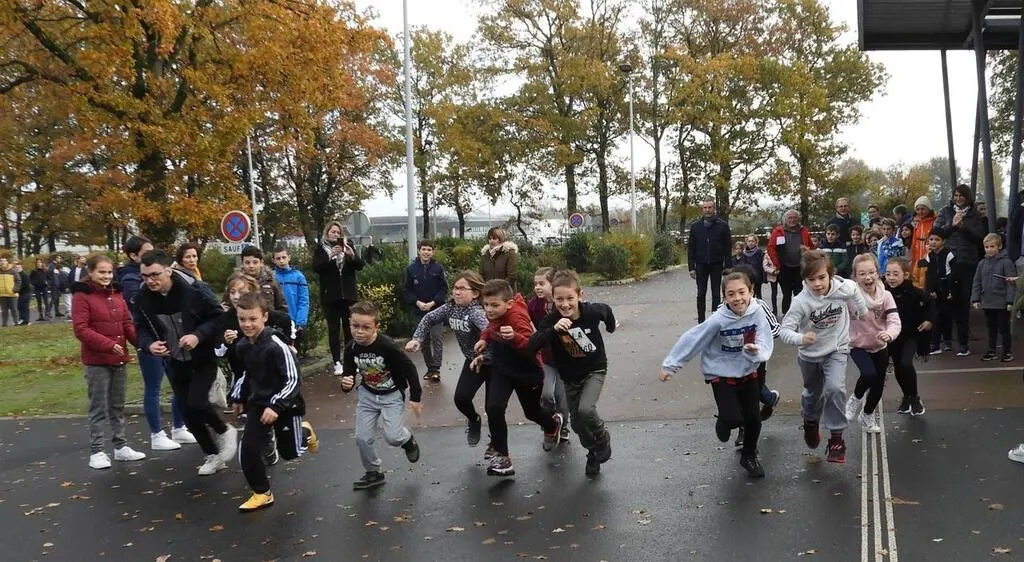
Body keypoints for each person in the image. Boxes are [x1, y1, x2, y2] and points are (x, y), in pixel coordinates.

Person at [660, 270, 773, 478]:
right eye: (731, 294)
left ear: (751, 291)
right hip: (720, 373)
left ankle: (748, 455)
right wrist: (671, 365)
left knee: (754, 419)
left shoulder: (757, 313)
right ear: (724, 297)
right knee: (732, 418)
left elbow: (765, 338)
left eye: (741, 292)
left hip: (747, 371)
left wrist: (759, 352)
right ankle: (724, 421)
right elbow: (693, 339)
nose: (737, 298)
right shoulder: (718, 320)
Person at [133, 250, 237, 476]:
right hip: (174, 360)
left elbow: (221, 317)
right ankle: (212, 455)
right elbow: (139, 328)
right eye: (145, 276)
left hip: (202, 357)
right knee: (187, 412)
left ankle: (225, 430)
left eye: (155, 275)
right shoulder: (142, 298)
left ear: (169, 270)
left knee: (197, 402)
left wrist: (197, 335)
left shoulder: (194, 290)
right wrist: (149, 344)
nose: (150, 280)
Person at [230, 292, 318, 513]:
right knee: (248, 449)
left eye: (253, 319)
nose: (247, 324)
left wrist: (276, 405)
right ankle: (262, 493)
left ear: (264, 317)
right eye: (242, 319)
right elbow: (246, 374)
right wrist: (238, 396)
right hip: (259, 404)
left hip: (286, 405)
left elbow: (293, 378)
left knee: (291, 453)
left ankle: (306, 433)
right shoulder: (242, 346)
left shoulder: (276, 344)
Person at [778, 250, 868, 464]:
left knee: (835, 388)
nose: (817, 284)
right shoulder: (801, 302)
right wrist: (801, 338)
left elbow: (855, 290)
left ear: (830, 274)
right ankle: (810, 421)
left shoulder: (842, 288)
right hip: (809, 355)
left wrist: (862, 311)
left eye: (821, 277)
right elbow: (784, 330)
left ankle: (836, 439)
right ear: (804, 280)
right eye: (811, 280)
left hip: (837, 349)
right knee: (813, 393)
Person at [527, 271, 615, 476]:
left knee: (586, 410)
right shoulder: (552, 321)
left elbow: (607, 312)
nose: (565, 304)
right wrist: (553, 331)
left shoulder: (591, 312)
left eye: (570, 298)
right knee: (576, 424)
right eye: (559, 299)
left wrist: (610, 326)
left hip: (595, 370)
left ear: (580, 295)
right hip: (570, 378)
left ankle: (602, 438)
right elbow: (532, 346)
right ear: (553, 299)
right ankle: (593, 452)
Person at [471, 279, 560, 477]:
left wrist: (514, 338)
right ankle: (503, 457)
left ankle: (552, 424)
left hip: (526, 371)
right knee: (494, 407)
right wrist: (484, 338)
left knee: (532, 412)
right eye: (486, 305)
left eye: (494, 305)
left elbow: (531, 347)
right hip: (502, 369)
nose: (489, 310)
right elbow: (492, 324)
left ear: (509, 304)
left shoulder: (518, 318)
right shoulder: (497, 313)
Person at [116, 235, 194, 452]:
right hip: (150, 341)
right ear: (133, 256)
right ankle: (156, 433)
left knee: (178, 383)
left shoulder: (168, 277)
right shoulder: (131, 280)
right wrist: (146, 342)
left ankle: (179, 426)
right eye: (145, 251)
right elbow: (138, 309)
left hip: (168, 338)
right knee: (154, 387)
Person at [71, 254, 147, 469]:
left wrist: (141, 343)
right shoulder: (82, 295)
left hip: (119, 358)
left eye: (109, 272)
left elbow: (126, 323)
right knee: (98, 407)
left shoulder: (116, 294)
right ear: (91, 272)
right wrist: (106, 344)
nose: (106, 276)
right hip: (97, 361)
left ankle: (121, 447)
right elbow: (81, 329)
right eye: (101, 272)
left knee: (117, 405)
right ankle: (97, 451)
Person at [217, 272, 297, 467]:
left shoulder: (269, 321)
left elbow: (287, 323)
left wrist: (291, 343)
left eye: (241, 292)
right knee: (251, 437)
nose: (236, 296)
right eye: (232, 292)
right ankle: (261, 487)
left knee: (289, 450)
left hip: (275, 384)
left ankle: (296, 434)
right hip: (246, 380)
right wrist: (226, 343)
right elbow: (218, 352)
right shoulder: (226, 319)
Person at [340, 300, 422, 490]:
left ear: (376, 327)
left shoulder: (387, 346)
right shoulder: (351, 348)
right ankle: (373, 472)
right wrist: (346, 384)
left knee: (393, 437)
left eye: (366, 327)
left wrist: (416, 397)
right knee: (362, 438)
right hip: (367, 395)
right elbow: (348, 376)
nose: (359, 331)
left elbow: (409, 368)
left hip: (391, 395)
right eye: (355, 326)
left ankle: (407, 440)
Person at [405, 270, 490, 446]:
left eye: (462, 289)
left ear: (475, 293)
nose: (456, 292)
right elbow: (429, 317)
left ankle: (496, 446)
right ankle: (474, 420)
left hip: (492, 362)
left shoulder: (476, 312)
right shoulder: (451, 307)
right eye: (454, 288)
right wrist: (417, 339)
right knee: (461, 398)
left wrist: (485, 353)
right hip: (472, 360)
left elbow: (490, 334)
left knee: (494, 407)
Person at [843, 254, 901, 434]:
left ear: (878, 273)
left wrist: (890, 334)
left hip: (880, 344)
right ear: (854, 276)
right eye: (862, 274)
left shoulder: (886, 296)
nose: (867, 277)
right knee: (868, 374)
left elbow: (894, 320)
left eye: (871, 272)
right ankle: (854, 400)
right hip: (857, 344)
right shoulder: (849, 296)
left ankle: (867, 415)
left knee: (878, 385)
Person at [933, 184, 987, 356]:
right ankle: (946, 340)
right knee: (944, 301)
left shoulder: (975, 214)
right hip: (948, 261)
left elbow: (980, 238)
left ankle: (963, 343)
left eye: (961, 196)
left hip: (967, 262)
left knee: (963, 302)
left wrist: (963, 225)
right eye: (956, 195)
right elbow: (937, 233)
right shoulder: (945, 211)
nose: (958, 198)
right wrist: (952, 224)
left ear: (967, 197)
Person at [526, 267, 571, 445]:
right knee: (545, 396)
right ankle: (551, 424)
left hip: (565, 359)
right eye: (535, 284)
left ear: (553, 285)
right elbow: (526, 320)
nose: (537, 287)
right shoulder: (534, 305)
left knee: (562, 398)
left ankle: (564, 426)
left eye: (542, 283)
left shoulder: (562, 303)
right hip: (546, 357)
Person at [313, 221, 364, 375]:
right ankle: (336, 362)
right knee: (334, 330)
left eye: (338, 232)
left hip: (348, 296)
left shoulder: (348, 246)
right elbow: (316, 267)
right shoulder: (321, 249)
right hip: (331, 296)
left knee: (350, 329)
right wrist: (331, 256)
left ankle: (350, 360)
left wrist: (351, 255)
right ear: (327, 233)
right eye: (333, 232)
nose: (335, 235)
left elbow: (360, 265)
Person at [885, 257, 935, 415]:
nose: (891, 277)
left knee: (906, 363)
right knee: (899, 367)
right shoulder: (883, 291)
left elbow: (930, 303)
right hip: (892, 336)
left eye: (895, 274)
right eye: (888, 274)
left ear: (905, 275)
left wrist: (929, 320)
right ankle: (906, 397)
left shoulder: (913, 290)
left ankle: (915, 398)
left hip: (911, 334)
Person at [403, 240, 448, 383]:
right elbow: (406, 291)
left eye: (429, 249)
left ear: (433, 252)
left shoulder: (438, 269)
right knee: (424, 341)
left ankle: (436, 368)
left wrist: (433, 302)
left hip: (436, 309)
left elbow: (443, 289)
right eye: (424, 249)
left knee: (436, 337)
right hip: (418, 311)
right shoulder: (411, 269)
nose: (426, 252)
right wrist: (417, 302)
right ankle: (430, 368)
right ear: (419, 250)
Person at [971, 233, 1016, 362]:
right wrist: (976, 299)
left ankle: (1007, 351)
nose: (989, 249)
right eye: (987, 247)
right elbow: (977, 282)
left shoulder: (1006, 263)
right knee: (991, 328)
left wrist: (1010, 300)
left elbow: (1011, 283)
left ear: (999, 246)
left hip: (1002, 302)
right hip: (988, 302)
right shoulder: (982, 263)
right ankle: (992, 350)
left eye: (992, 246)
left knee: (1003, 328)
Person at [687, 200, 732, 323]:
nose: (707, 210)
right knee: (701, 293)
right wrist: (691, 267)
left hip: (717, 263)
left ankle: (715, 319)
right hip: (701, 264)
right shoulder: (696, 227)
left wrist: (728, 266)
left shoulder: (722, 226)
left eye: (710, 207)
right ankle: (701, 321)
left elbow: (728, 247)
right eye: (705, 207)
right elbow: (691, 248)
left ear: (714, 209)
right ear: (702, 210)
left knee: (716, 293)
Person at [767, 209, 813, 314]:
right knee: (786, 294)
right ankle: (786, 315)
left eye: (795, 217)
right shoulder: (778, 231)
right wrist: (777, 264)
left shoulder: (804, 231)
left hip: (800, 267)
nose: (792, 220)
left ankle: (801, 314)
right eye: (790, 218)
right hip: (784, 268)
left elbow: (811, 246)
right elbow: (771, 248)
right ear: (785, 219)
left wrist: (808, 253)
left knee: (800, 293)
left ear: (798, 219)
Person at [271, 246, 310, 351]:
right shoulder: (271, 277)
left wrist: (300, 321)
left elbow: (303, 300)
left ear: (289, 257)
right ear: (273, 260)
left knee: (294, 352)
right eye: (278, 258)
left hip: (294, 321)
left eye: (284, 257)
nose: (281, 261)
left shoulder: (298, 276)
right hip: (277, 321)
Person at [924, 230, 955, 354]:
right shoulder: (929, 256)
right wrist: (930, 290)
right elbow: (928, 274)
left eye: (937, 240)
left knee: (946, 317)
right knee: (935, 317)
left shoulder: (949, 255)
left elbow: (954, 274)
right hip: (934, 291)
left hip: (946, 290)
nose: (933, 242)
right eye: (931, 239)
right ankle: (935, 344)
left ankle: (947, 341)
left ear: (943, 242)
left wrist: (950, 290)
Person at [239, 246, 287, 312]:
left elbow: (282, 307)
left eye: (255, 262)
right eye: (247, 263)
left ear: (261, 263)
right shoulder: (237, 283)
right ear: (242, 264)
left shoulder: (271, 282)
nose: (251, 266)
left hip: (270, 321)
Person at [908, 197, 937, 289]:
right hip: (917, 255)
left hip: (928, 254)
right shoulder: (917, 222)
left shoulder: (934, 222)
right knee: (916, 278)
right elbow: (914, 239)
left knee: (926, 278)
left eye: (923, 209)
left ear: (928, 209)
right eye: (918, 209)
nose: (920, 212)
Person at [480, 227, 520, 292]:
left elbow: (512, 276)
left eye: (494, 238)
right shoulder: (485, 255)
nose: (491, 241)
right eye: (489, 239)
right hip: (488, 293)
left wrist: (498, 288)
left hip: (505, 293)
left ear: (501, 239)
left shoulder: (509, 253)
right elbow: (481, 275)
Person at [0, 256, 19, 327]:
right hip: (2, 294)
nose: (2, 262)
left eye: (4, 261)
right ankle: (4, 324)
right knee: (4, 310)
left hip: (12, 293)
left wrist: (15, 289)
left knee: (13, 308)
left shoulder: (12, 271)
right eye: (1, 261)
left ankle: (16, 322)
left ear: (7, 262)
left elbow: (18, 280)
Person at [762, 250, 779, 315]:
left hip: (782, 274)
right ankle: (774, 310)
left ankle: (786, 309)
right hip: (773, 275)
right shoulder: (767, 253)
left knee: (786, 293)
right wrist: (773, 271)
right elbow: (765, 266)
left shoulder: (783, 250)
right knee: (774, 292)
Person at [14, 261, 31, 326]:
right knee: (20, 307)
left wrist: (16, 290)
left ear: (21, 268)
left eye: (18, 267)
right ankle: (23, 320)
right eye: (16, 268)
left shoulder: (24, 275)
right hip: (21, 294)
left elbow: (25, 285)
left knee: (24, 307)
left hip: (26, 293)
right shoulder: (17, 275)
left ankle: (26, 320)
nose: (17, 269)